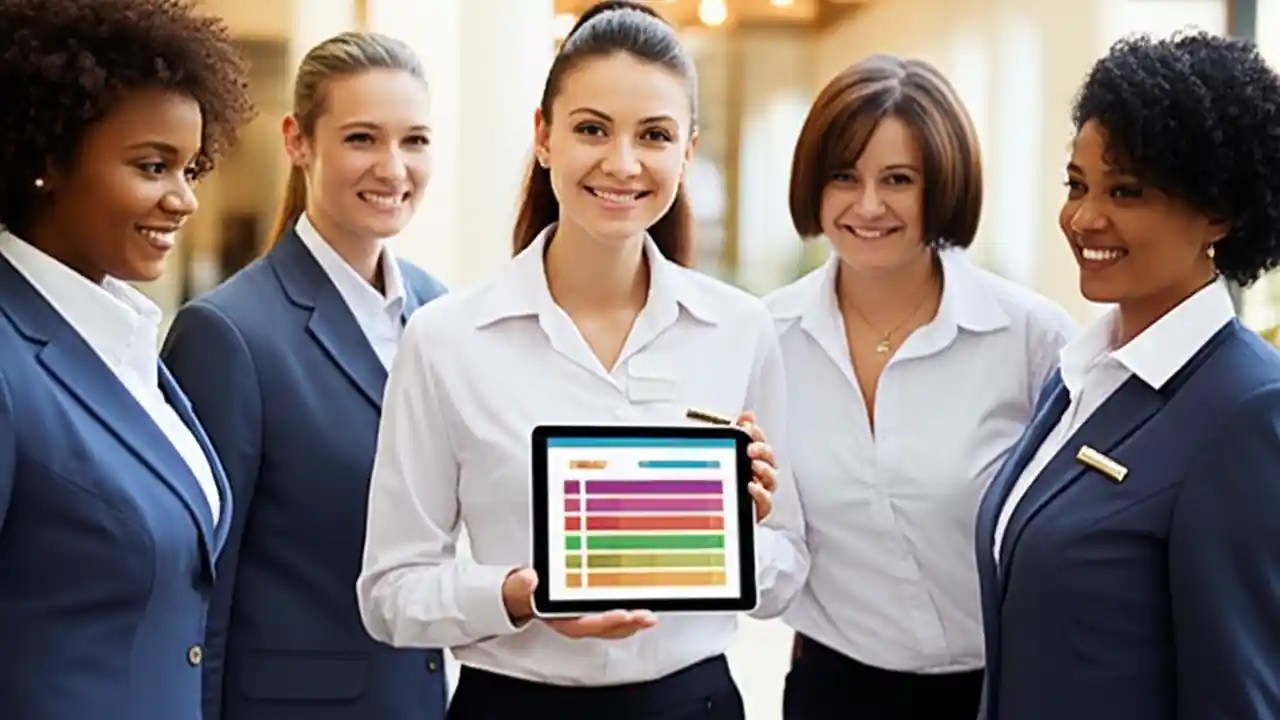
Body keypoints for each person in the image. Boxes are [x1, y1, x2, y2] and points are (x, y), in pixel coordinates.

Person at [355, 2, 808, 719]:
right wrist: (521, 596)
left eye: (654, 135)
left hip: (694, 703)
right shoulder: (447, 340)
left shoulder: (740, 330)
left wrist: (737, 534)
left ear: (688, 150)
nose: (622, 163)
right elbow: (389, 594)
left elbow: (786, 577)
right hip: (511, 705)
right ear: (543, 137)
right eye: (592, 128)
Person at [975, 31, 1280, 720]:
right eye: (1077, 185)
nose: (1085, 217)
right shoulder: (1082, 373)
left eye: (1127, 190)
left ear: (1219, 213)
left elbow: (1239, 696)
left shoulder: (1247, 411)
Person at [768, 54, 1076, 719]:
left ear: (943, 184)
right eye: (844, 176)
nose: (869, 205)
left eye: (898, 179)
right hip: (834, 690)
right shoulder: (767, 337)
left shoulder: (1031, 338)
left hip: (1000, 690)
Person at [160, 32, 448, 720]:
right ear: (298, 141)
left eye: (414, 141)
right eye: (361, 139)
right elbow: (199, 594)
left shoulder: (441, 312)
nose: (393, 167)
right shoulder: (228, 334)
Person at [0, 0, 254, 717]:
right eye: (153, 166)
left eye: (190, 168)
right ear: (49, 159)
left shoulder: (126, 341)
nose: (184, 200)